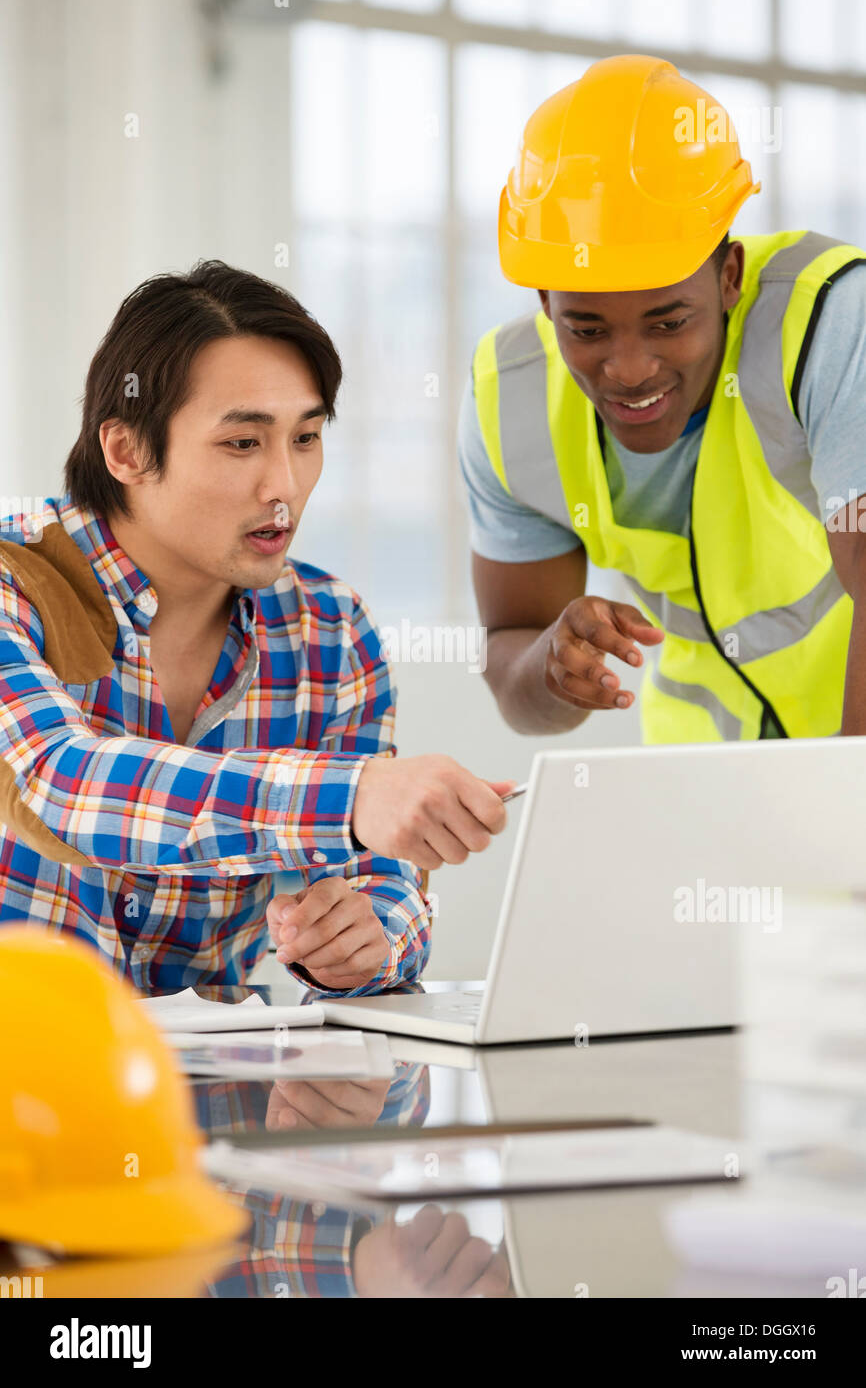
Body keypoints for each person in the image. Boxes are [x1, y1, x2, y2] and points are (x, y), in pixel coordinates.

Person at [0, 262, 513, 993]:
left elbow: (386, 883)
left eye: (305, 439)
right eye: (243, 444)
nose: (285, 486)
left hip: (210, 1089)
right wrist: (352, 796)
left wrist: (368, 937)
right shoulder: (15, 586)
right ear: (126, 451)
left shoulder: (331, 632)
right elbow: (62, 785)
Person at [460, 54, 866, 744]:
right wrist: (555, 670)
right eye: (585, 328)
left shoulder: (829, 320)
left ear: (729, 275)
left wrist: (841, 804)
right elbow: (513, 663)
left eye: (668, 322)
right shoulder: (511, 396)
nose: (628, 369)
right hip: (700, 774)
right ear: (545, 302)